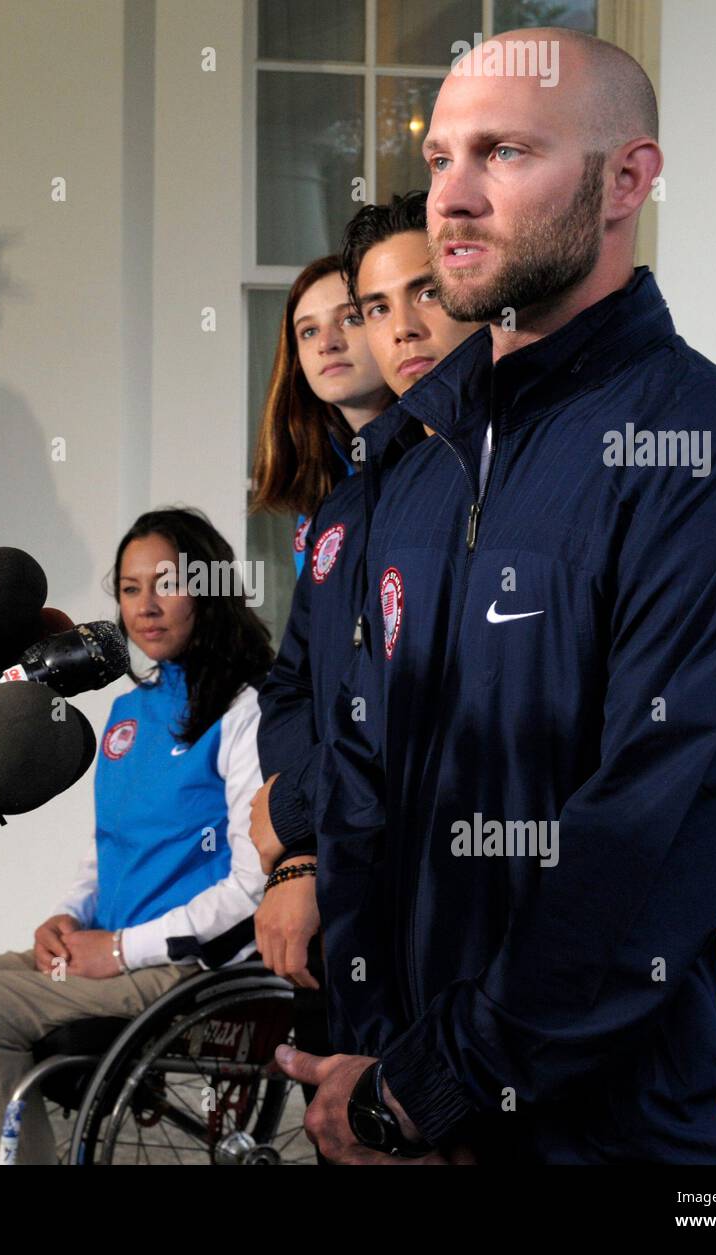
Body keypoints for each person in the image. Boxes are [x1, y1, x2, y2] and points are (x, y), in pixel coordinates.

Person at [281, 28, 716, 1165]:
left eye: (503, 153)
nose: (453, 195)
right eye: (440, 156)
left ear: (625, 181)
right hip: (419, 1109)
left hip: (653, 1134)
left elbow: (646, 843)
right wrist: (374, 1056)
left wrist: (428, 1084)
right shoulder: (412, 454)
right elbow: (362, 776)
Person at [0, 507, 273, 1165]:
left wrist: (119, 946)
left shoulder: (244, 709)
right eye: (131, 588)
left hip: (179, 966)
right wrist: (67, 914)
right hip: (103, 943)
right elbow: (107, 840)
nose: (146, 605)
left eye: (166, 583)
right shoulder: (127, 708)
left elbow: (252, 887)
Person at [251, 196, 482, 1062]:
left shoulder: (474, 475)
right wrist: (300, 852)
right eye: (375, 307)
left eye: (359, 313)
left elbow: (416, 705)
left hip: (435, 889)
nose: (392, 330)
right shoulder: (345, 504)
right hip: (349, 875)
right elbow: (293, 686)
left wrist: (298, 818)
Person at [250, 255, 392, 578]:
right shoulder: (320, 483)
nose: (327, 344)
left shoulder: (439, 457)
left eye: (351, 319)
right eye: (309, 331)